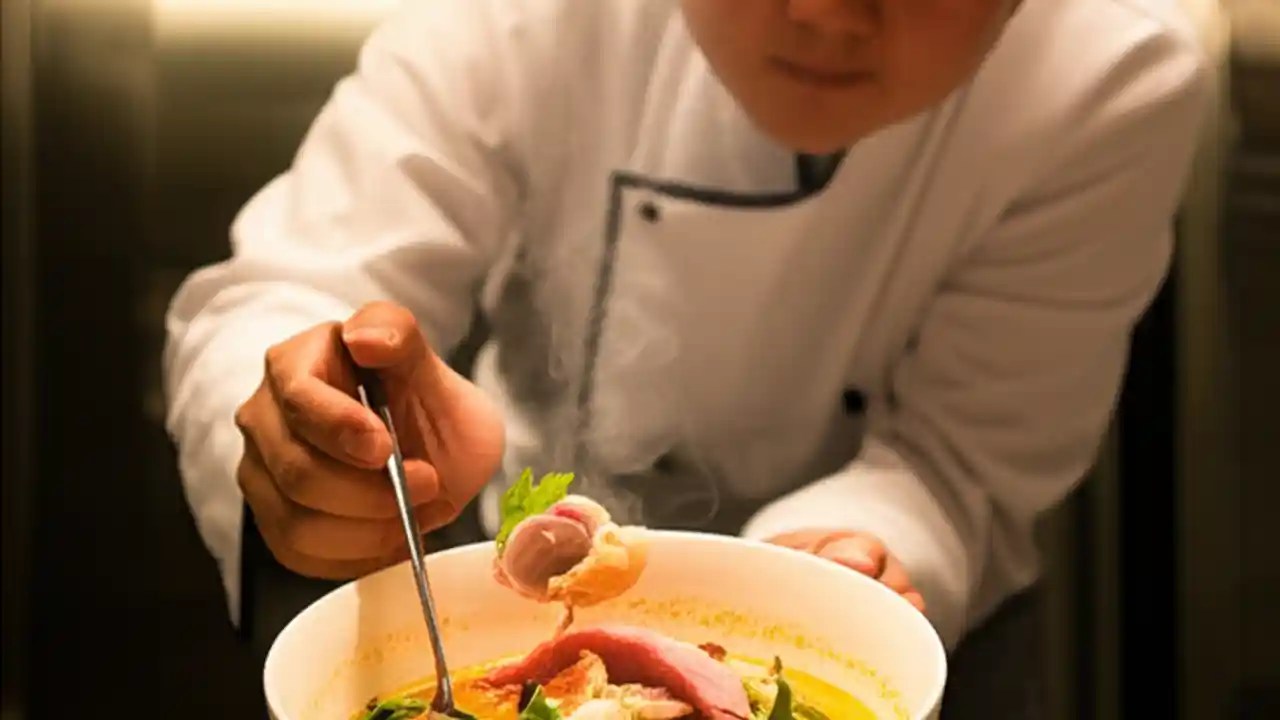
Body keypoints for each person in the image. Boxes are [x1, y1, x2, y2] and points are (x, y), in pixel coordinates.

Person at [162, 0, 1209, 715]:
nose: (826, 12)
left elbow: (958, 459)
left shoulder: (1112, 65)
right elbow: (289, 289)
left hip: (913, 638)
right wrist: (326, 433)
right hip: (501, 616)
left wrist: (864, 547)